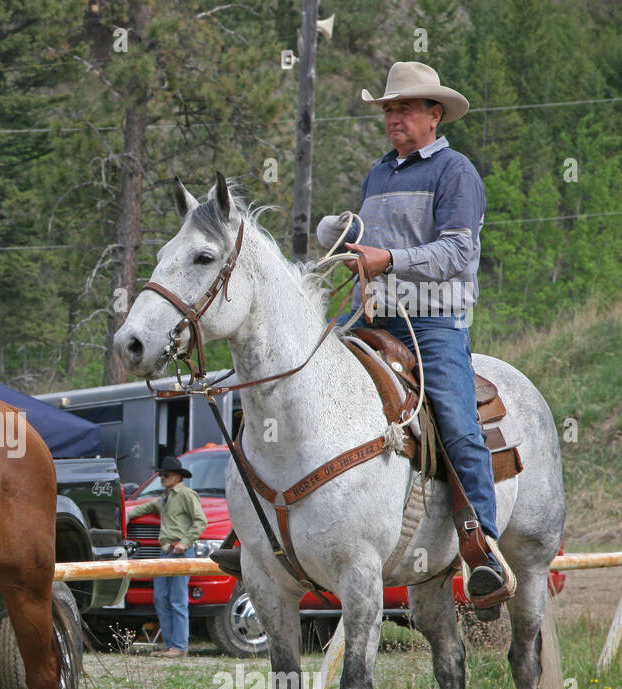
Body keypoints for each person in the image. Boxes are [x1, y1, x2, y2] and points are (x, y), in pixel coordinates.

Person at [216, 61, 512, 615]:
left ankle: (482, 547)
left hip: (433, 325)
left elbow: (459, 253)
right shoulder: (381, 173)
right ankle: (251, 530)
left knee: (455, 417)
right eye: (388, 109)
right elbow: (374, 238)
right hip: (369, 317)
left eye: (403, 108)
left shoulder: (456, 172)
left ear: (434, 114)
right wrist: (348, 231)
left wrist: (388, 258)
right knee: (275, 385)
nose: (393, 117)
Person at [128, 457, 208, 658]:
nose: (162, 478)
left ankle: (180, 646)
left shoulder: (187, 495)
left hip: (179, 552)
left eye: (165, 475)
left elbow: (201, 521)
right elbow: (143, 508)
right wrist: (123, 514)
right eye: (161, 475)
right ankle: (171, 645)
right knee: (160, 598)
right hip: (165, 552)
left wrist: (184, 543)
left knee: (178, 599)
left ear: (177, 477)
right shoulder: (164, 498)